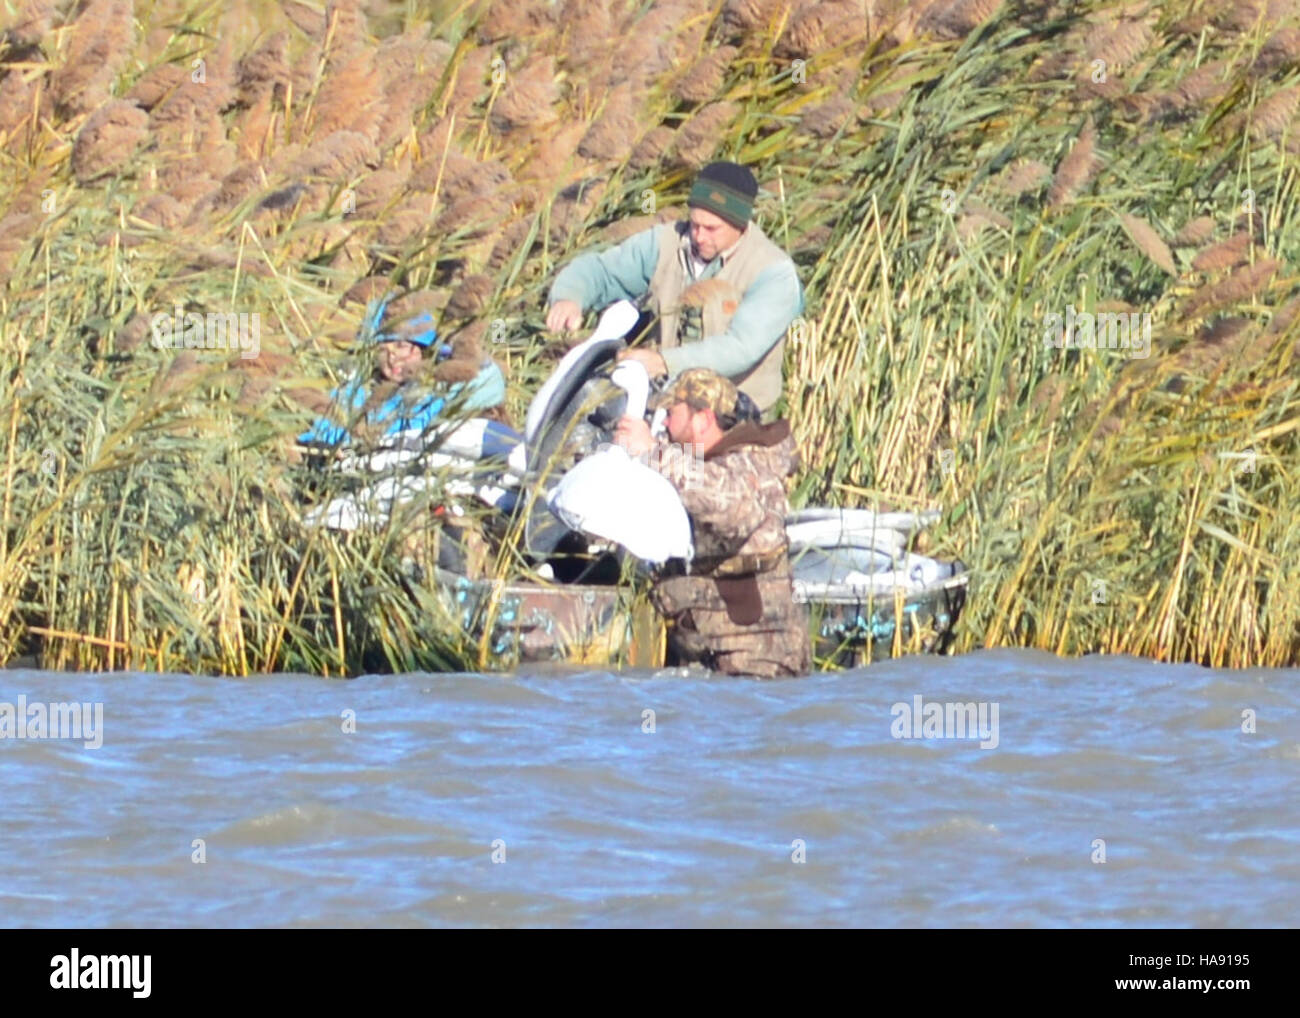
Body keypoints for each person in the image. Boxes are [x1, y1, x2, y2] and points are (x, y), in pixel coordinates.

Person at [545, 161, 803, 415]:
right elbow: (603, 271)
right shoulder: (666, 241)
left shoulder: (774, 272)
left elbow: (741, 347)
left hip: (734, 421)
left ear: (740, 224)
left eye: (712, 229)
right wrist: (570, 297)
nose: (699, 237)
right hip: (664, 409)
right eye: (694, 224)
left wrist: (665, 362)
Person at [614, 368, 810, 678]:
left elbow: (730, 507)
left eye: (671, 412)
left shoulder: (750, 461)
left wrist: (653, 452)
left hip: (757, 664)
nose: (664, 421)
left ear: (703, 419)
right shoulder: (701, 455)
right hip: (712, 652)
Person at [299, 295, 507, 451]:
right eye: (382, 350)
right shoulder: (358, 392)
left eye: (400, 346)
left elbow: (489, 382)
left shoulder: (446, 386)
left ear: (423, 347)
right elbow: (327, 427)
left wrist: (458, 352)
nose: (392, 357)